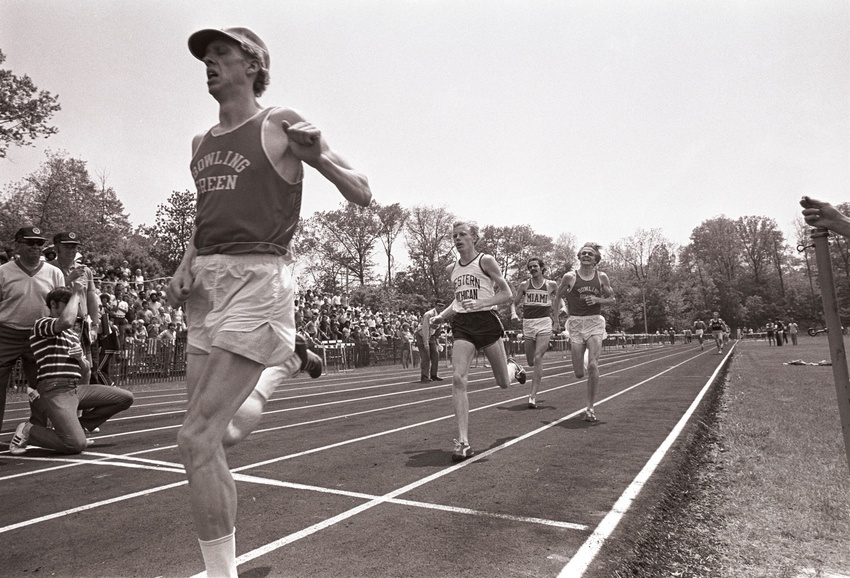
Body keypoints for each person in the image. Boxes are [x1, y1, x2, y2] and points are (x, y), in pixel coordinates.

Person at [169, 27, 371, 578]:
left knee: (195, 438)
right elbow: (206, 214)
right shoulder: (201, 143)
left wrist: (319, 161)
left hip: (259, 278)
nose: (209, 65)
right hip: (207, 287)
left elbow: (363, 191)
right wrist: (185, 265)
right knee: (215, 437)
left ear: (253, 66)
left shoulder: (280, 122)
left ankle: (221, 574)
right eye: (205, 58)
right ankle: (285, 365)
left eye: (221, 56)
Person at [429, 221, 526, 462]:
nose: (457, 239)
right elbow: (458, 301)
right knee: (457, 378)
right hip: (463, 325)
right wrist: (442, 316)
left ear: (474, 238)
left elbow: (507, 294)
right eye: (454, 235)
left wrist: (482, 303)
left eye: (463, 235)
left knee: (503, 382)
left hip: (487, 322)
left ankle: (514, 368)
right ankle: (463, 442)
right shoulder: (452, 268)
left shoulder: (485, 261)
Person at [8, 284, 134, 455]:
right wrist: (76, 293)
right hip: (55, 389)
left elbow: (84, 370)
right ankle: (29, 430)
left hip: (74, 388)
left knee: (125, 398)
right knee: (76, 446)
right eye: (69, 304)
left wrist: (79, 359)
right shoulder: (42, 324)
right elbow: (65, 321)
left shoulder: (72, 335)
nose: (74, 309)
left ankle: (79, 428)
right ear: (53, 304)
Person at [0, 227, 66, 433]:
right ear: (18, 244)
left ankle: (38, 429)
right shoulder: (3, 271)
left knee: (40, 386)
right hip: (6, 333)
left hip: (40, 334)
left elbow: (62, 308)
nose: (36, 247)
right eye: (30, 243)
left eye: (39, 243)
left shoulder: (54, 273)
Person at [552, 242, 615, 423]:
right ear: (579, 257)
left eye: (590, 254)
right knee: (579, 373)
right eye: (583, 253)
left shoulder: (601, 277)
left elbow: (613, 299)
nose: (586, 255)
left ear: (596, 259)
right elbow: (557, 298)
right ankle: (585, 358)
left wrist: (596, 299)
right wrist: (556, 320)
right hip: (576, 324)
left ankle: (590, 407)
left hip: (595, 322)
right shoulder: (570, 277)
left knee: (594, 366)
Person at [51, 232, 100, 383]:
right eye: (67, 246)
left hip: (81, 323)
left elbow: (92, 298)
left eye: (74, 247)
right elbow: (50, 296)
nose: (72, 250)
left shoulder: (85, 270)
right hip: (60, 324)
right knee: (62, 368)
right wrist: (69, 279)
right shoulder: (49, 268)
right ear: (57, 247)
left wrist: (95, 326)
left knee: (85, 369)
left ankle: (82, 404)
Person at [511, 257, 558, 409]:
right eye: (530, 267)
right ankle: (519, 369)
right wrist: (513, 313)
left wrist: (562, 310)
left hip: (544, 322)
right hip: (529, 323)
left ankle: (532, 396)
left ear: (541, 268)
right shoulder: (525, 285)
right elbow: (514, 302)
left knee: (538, 358)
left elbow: (558, 299)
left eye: (535, 266)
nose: (532, 269)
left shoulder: (551, 285)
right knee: (531, 361)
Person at [416, 300, 445, 383]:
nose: (441, 307)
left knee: (435, 354)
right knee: (426, 356)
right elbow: (425, 329)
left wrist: (437, 342)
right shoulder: (428, 315)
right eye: (439, 305)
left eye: (442, 306)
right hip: (422, 336)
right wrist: (426, 343)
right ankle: (424, 376)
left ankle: (434, 375)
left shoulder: (441, 315)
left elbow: (437, 330)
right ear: (435, 305)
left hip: (431, 336)